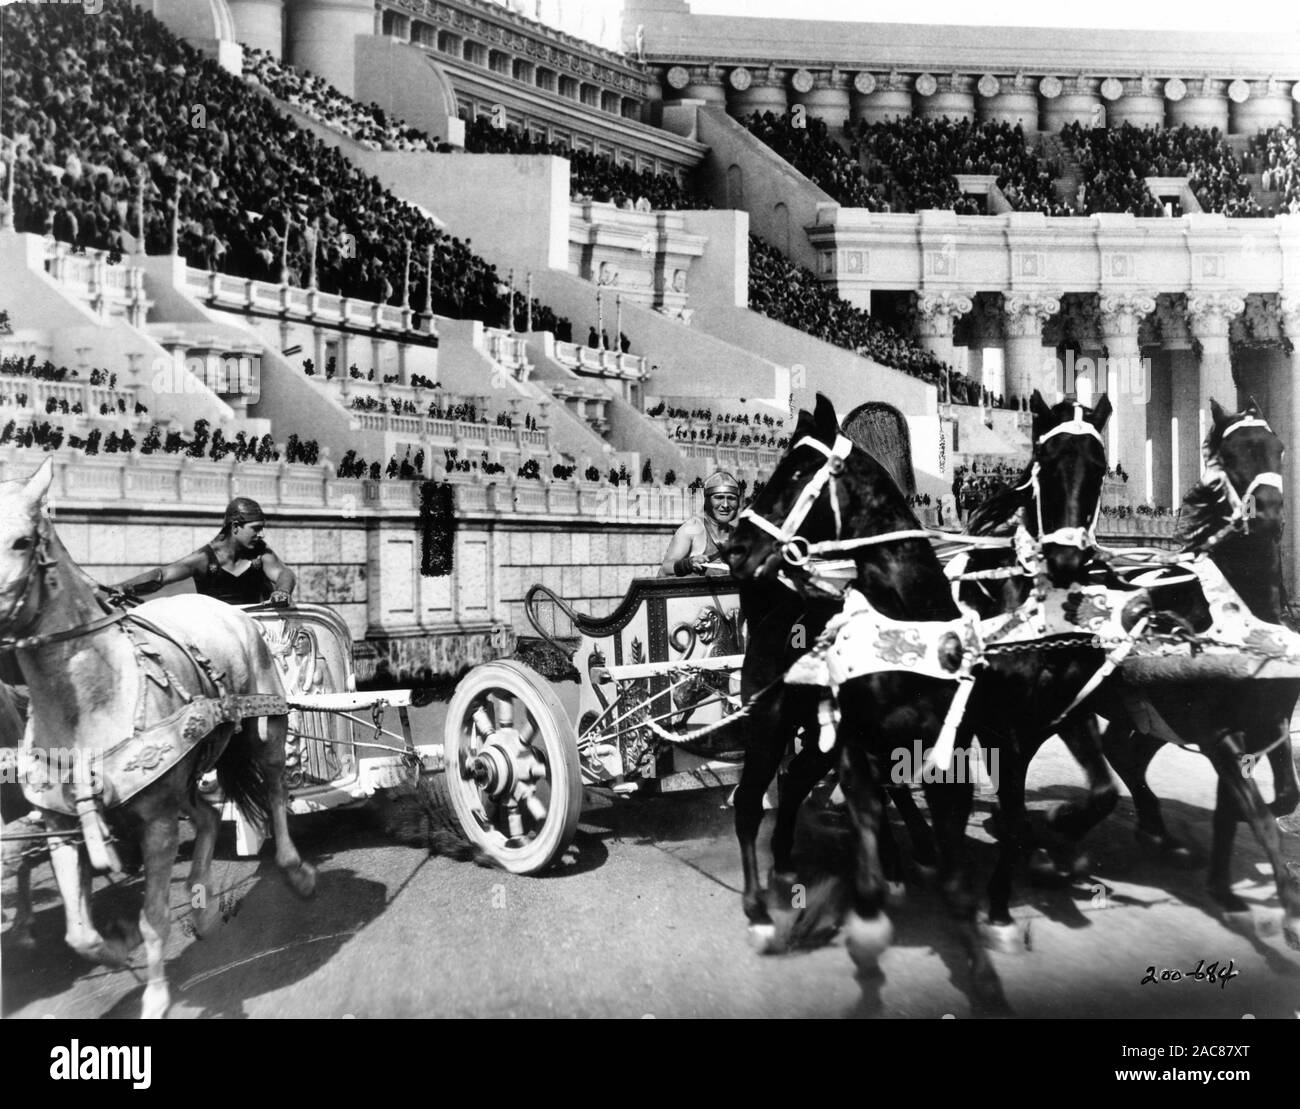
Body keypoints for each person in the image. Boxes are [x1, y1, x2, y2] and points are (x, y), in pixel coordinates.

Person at [113, 496, 295, 606]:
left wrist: (283, 592)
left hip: (256, 628)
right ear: (236, 527)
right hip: (217, 631)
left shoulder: (260, 553)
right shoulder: (205, 558)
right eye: (256, 528)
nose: (261, 534)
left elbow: (284, 573)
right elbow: (162, 576)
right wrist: (125, 588)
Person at [660, 471, 740, 578]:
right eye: (719, 497)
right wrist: (688, 564)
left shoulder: (738, 535)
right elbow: (665, 568)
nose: (725, 505)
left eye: (731, 498)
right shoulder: (693, 528)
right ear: (707, 501)